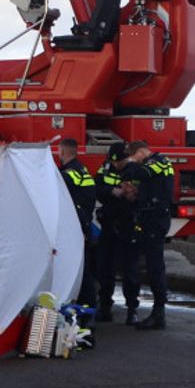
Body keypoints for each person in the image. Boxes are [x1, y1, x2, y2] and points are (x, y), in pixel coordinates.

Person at [120, 140, 176, 329]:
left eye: (134, 155)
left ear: (141, 151)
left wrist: (132, 162)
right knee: (149, 267)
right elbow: (146, 184)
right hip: (148, 219)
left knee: (155, 267)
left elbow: (142, 173)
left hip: (156, 219)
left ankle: (159, 313)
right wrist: (133, 192)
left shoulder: (159, 161)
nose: (134, 160)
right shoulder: (150, 166)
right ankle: (157, 312)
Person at [94, 142, 139, 324]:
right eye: (112, 161)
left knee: (130, 270)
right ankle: (105, 308)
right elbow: (96, 187)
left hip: (127, 224)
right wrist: (113, 191)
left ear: (126, 158)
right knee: (105, 268)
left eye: (118, 162)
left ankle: (132, 310)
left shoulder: (135, 171)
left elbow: (138, 194)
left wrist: (130, 194)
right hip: (109, 223)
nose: (115, 165)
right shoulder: (105, 168)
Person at [56, 138, 97, 311]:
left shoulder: (67, 175)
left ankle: (83, 308)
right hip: (83, 223)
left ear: (63, 152)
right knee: (84, 268)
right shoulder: (82, 170)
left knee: (78, 270)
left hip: (75, 226)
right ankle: (88, 308)